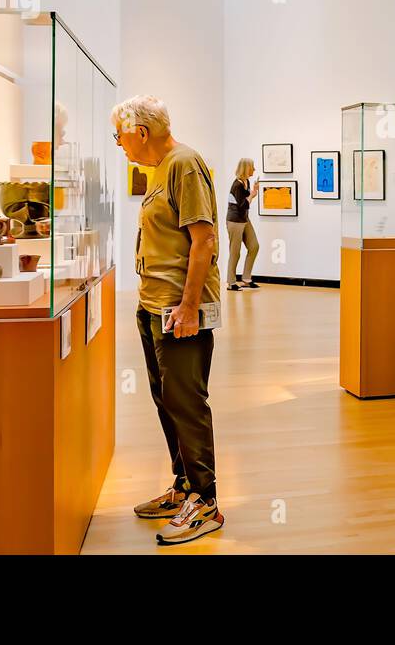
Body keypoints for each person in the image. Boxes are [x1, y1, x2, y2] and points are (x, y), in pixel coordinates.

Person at [111, 94, 225, 545]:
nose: (118, 144)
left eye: (119, 135)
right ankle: (183, 488)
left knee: (187, 403)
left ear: (140, 132)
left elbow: (204, 240)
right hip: (156, 306)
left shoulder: (185, 164)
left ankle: (206, 501)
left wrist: (191, 306)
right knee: (167, 400)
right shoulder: (160, 171)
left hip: (181, 310)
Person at [226, 158, 261, 291]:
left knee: (254, 246)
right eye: (252, 167)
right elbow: (243, 204)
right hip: (235, 221)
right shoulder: (237, 185)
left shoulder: (246, 182)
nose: (254, 169)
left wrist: (253, 191)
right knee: (235, 252)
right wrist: (252, 195)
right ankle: (231, 282)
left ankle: (246, 279)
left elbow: (246, 201)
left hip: (244, 219)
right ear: (246, 168)